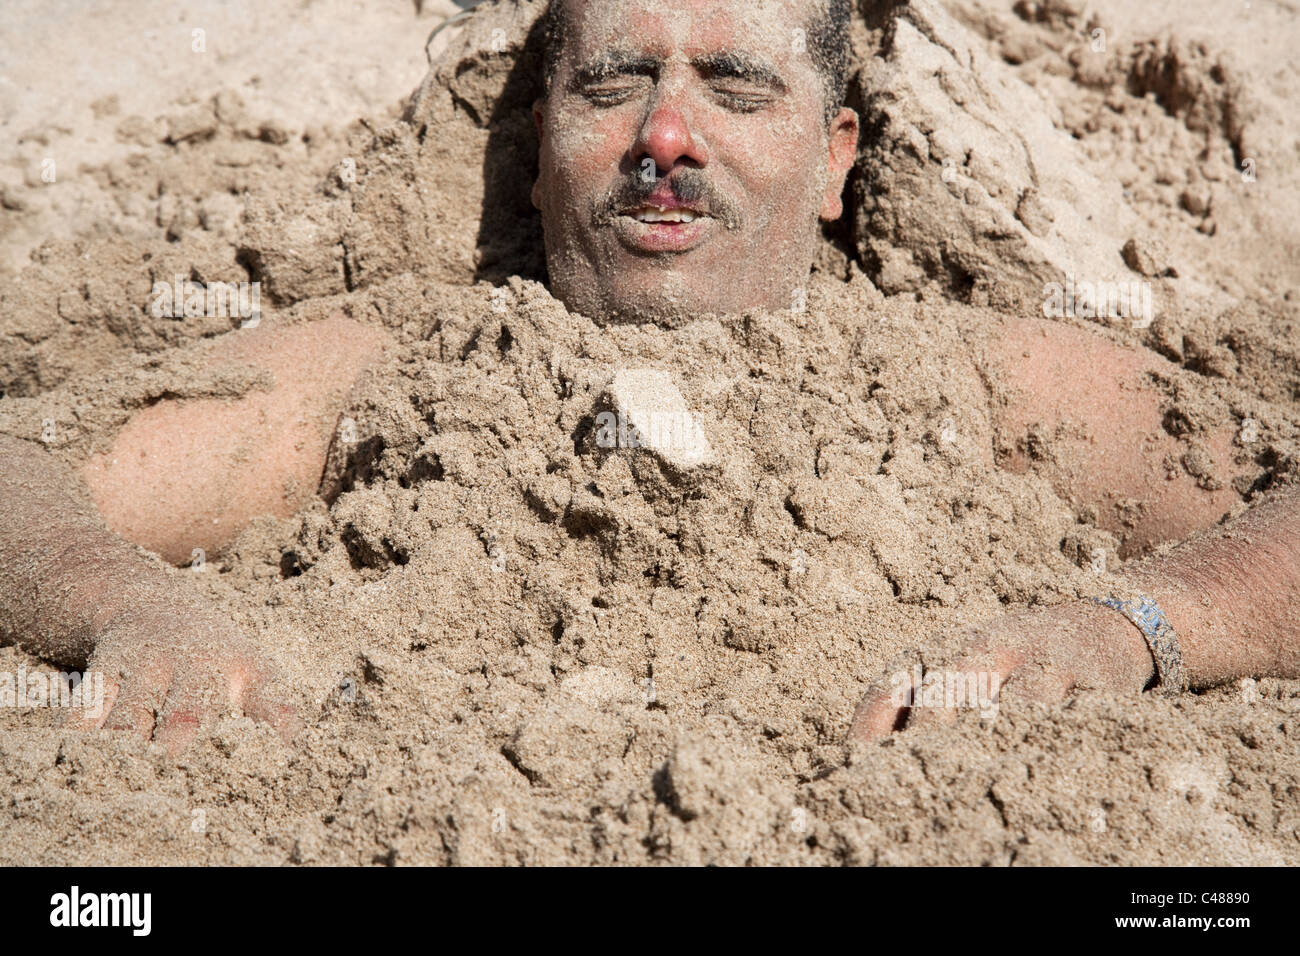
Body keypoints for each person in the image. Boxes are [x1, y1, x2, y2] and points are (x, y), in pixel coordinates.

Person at [1, 0, 1296, 752]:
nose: (664, 137)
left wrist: (1138, 629)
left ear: (839, 156)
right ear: (537, 142)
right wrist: (126, 603)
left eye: (734, 88)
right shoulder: (389, 371)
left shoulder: (987, 381)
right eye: (614, 85)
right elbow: (29, 466)